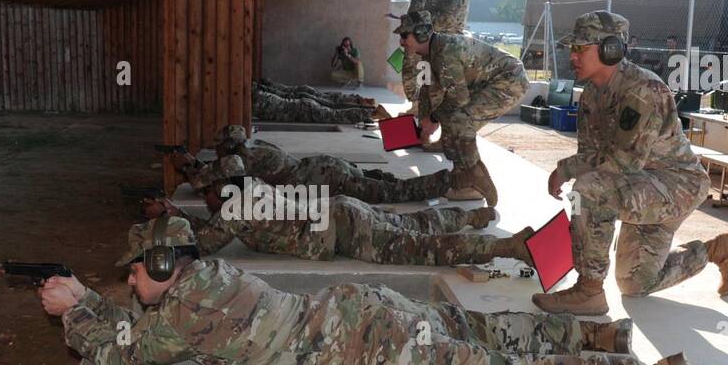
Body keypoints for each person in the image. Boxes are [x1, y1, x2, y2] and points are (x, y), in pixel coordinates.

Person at [39, 217, 702, 365]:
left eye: (132, 271)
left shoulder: (185, 312)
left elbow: (124, 355)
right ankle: (601, 332)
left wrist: (75, 314)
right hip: (364, 312)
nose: (129, 282)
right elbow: (140, 322)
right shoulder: (204, 277)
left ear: (160, 267)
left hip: (371, 351)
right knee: (481, 328)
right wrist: (93, 300)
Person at [532, 11, 728, 316]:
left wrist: (565, 169)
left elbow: (623, 161)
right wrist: (578, 238)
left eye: (581, 49)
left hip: (677, 185)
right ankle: (716, 250)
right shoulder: (592, 94)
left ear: (610, 49)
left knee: (589, 189)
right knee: (634, 284)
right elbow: (592, 156)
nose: (573, 56)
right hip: (641, 186)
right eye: (572, 49)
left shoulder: (643, 90)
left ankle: (588, 291)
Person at [159, 154, 532, 268]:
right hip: (343, 211)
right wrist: (179, 210)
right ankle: (470, 216)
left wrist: (169, 217)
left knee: (428, 249)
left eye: (206, 192)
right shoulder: (251, 188)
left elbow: (204, 246)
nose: (205, 198)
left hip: (346, 232)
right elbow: (216, 225)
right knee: (415, 223)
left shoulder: (234, 208)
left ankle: (508, 247)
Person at [397, 10, 524, 206]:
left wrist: (433, 119)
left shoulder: (445, 52)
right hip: (485, 82)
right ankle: (462, 176)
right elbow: (428, 89)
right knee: (449, 116)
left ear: (422, 33)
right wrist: (425, 120)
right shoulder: (431, 52)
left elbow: (459, 98)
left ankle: (473, 182)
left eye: (405, 36)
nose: (402, 42)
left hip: (509, 80)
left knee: (459, 118)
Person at [183, 124, 454, 204]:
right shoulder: (256, 146)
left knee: (390, 194)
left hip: (322, 180)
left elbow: (199, 183)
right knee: (379, 182)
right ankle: (440, 182)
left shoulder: (237, 159)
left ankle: (443, 183)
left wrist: (185, 165)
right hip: (325, 167)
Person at [253, 80, 374, 124]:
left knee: (334, 113)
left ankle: (369, 112)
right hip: (301, 105)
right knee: (334, 111)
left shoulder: (255, 103)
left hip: (302, 107)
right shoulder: (261, 99)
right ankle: (369, 112)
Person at [400, 0, 427, 105]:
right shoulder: (417, 0)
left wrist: (405, 35)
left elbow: (416, 23)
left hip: (416, 45)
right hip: (416, 44)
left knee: (413, 75)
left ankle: (417, 106)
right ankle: (416, 106)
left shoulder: (420, 1)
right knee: (415, 75)